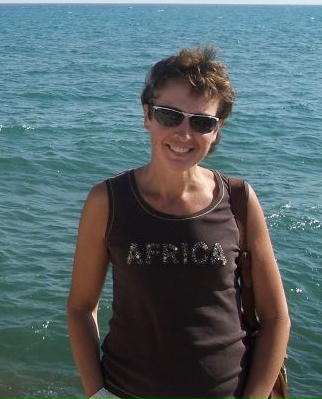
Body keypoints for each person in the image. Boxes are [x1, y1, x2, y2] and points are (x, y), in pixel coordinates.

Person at [67, 46, 290, 399]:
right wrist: (97, 393)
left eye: (201, 122)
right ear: (147, 115)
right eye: (169, 115)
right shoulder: (107, 201)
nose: (184, 134)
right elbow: (81, 308)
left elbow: (276, 317)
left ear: (217, 130)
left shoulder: (239, 200)